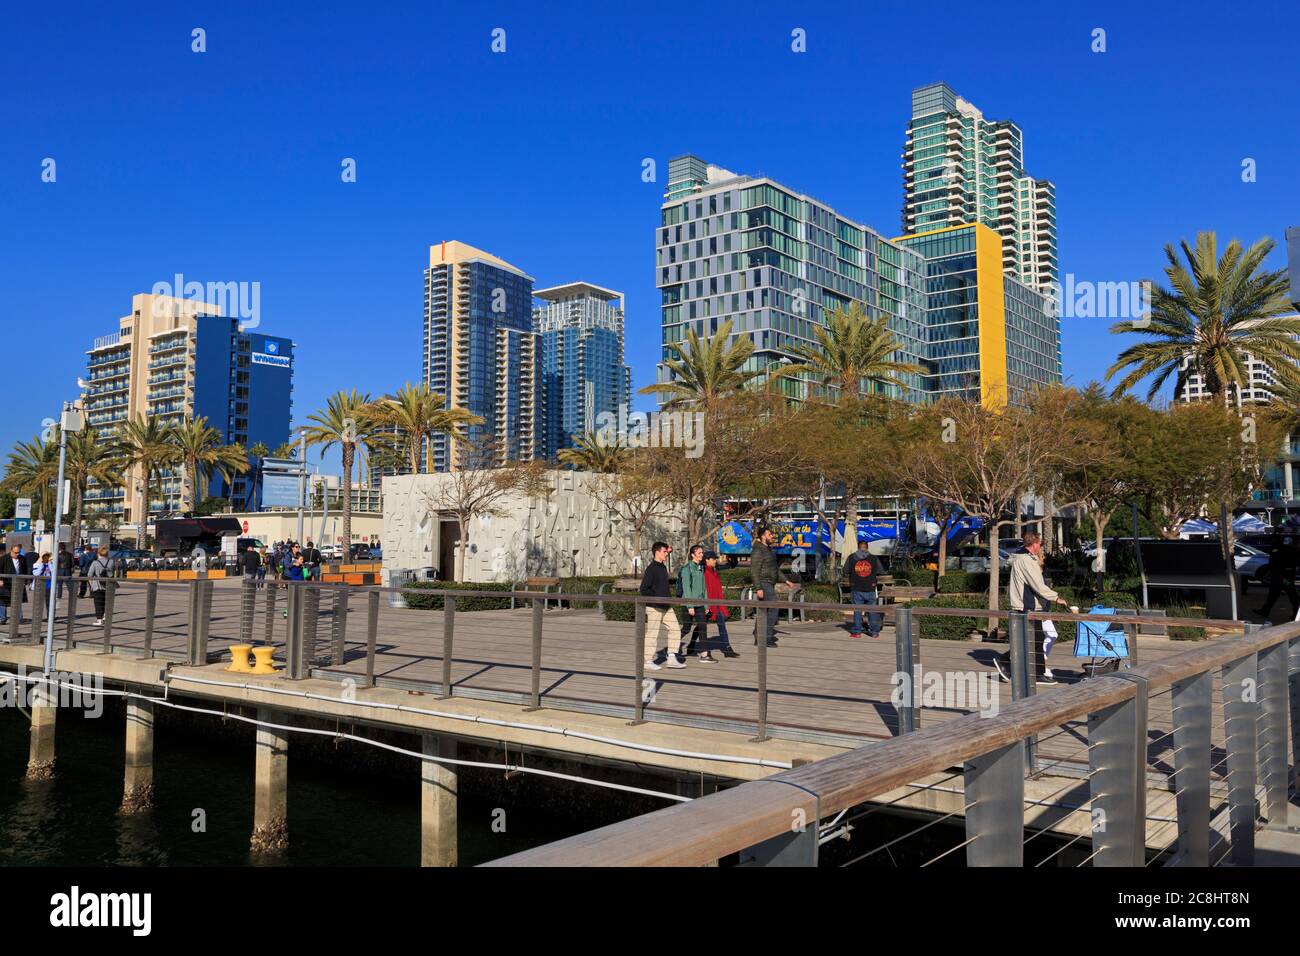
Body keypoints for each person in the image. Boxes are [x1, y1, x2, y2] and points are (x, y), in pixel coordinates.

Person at [998, 531, 1071, 685]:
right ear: (1035, 543)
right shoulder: (1026, 560)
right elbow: (1038, 585)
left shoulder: (1024, 558)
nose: (1041, 547)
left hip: (1026, 606)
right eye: (1040, 544)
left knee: (1030, 640)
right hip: (1028, 606)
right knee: (1036, 640)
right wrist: (1056, 597)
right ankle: (1035, 673)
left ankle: (1010, 664)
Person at [639, 541, 683, 672]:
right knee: (652, 634)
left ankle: (671, 657)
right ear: (657, 552)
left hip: (666, 606)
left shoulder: (663, 567)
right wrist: (657, 598)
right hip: (654, 607)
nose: (666, 554)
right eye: (664, 552)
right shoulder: (651, 569)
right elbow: (644, 589)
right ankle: (647, 660)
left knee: (675, 629)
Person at [749, 526, 796, 647]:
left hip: (769, 583)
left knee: (763, 611)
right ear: (763, 536)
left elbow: (775, 569)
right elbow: (754, 571)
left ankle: (758, 636)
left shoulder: (769, 550)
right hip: (764, 583)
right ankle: (766, 637)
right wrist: (758, 588)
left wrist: (786, 581)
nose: (772, 536)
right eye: (770, 535)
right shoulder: (758, 550)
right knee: (774, 607)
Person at [842, 537, 885, 639]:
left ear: (858, 547)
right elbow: (881, 571)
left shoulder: (851, 557)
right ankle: (874, 632)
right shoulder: (874, 558)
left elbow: (845, 571)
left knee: (857, 610)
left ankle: (857, 632)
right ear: (867, 547)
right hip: (870, 587)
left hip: (856, 587)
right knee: (872, 611)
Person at [702, 550, 739, 660]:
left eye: (715, 558)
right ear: (707, 560)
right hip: (708, 604)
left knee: (721, 625)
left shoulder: (714, 570)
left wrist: (734, 558)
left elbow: (730, 566)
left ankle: (727, 649)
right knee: (699, 626)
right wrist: (706, 605)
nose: (715, 560)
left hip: (717, 603)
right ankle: (690, 645)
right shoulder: (703, 571)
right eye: (713, 559)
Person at [0, 543, 28, 625]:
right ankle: (2, 618)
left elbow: (24, 570)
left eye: (18, 552)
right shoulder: (3, 559)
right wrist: (0, 580)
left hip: (18, 583)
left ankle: (19, 618)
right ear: (11, 551)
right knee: (2, 601)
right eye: (15, 552)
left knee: (17, 600)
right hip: (6, 583)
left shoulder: (22, 558)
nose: (17, 554)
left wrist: (25, 581)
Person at [86, 545, 111, 626]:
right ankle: (105, 616)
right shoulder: (111, 562)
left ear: (98, 553)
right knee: (106, 602)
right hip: (109, 585)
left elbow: (89, 575)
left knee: (98, 603)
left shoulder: (95, 563)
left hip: (97, 585)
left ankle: (99, 620)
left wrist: (91, 585)